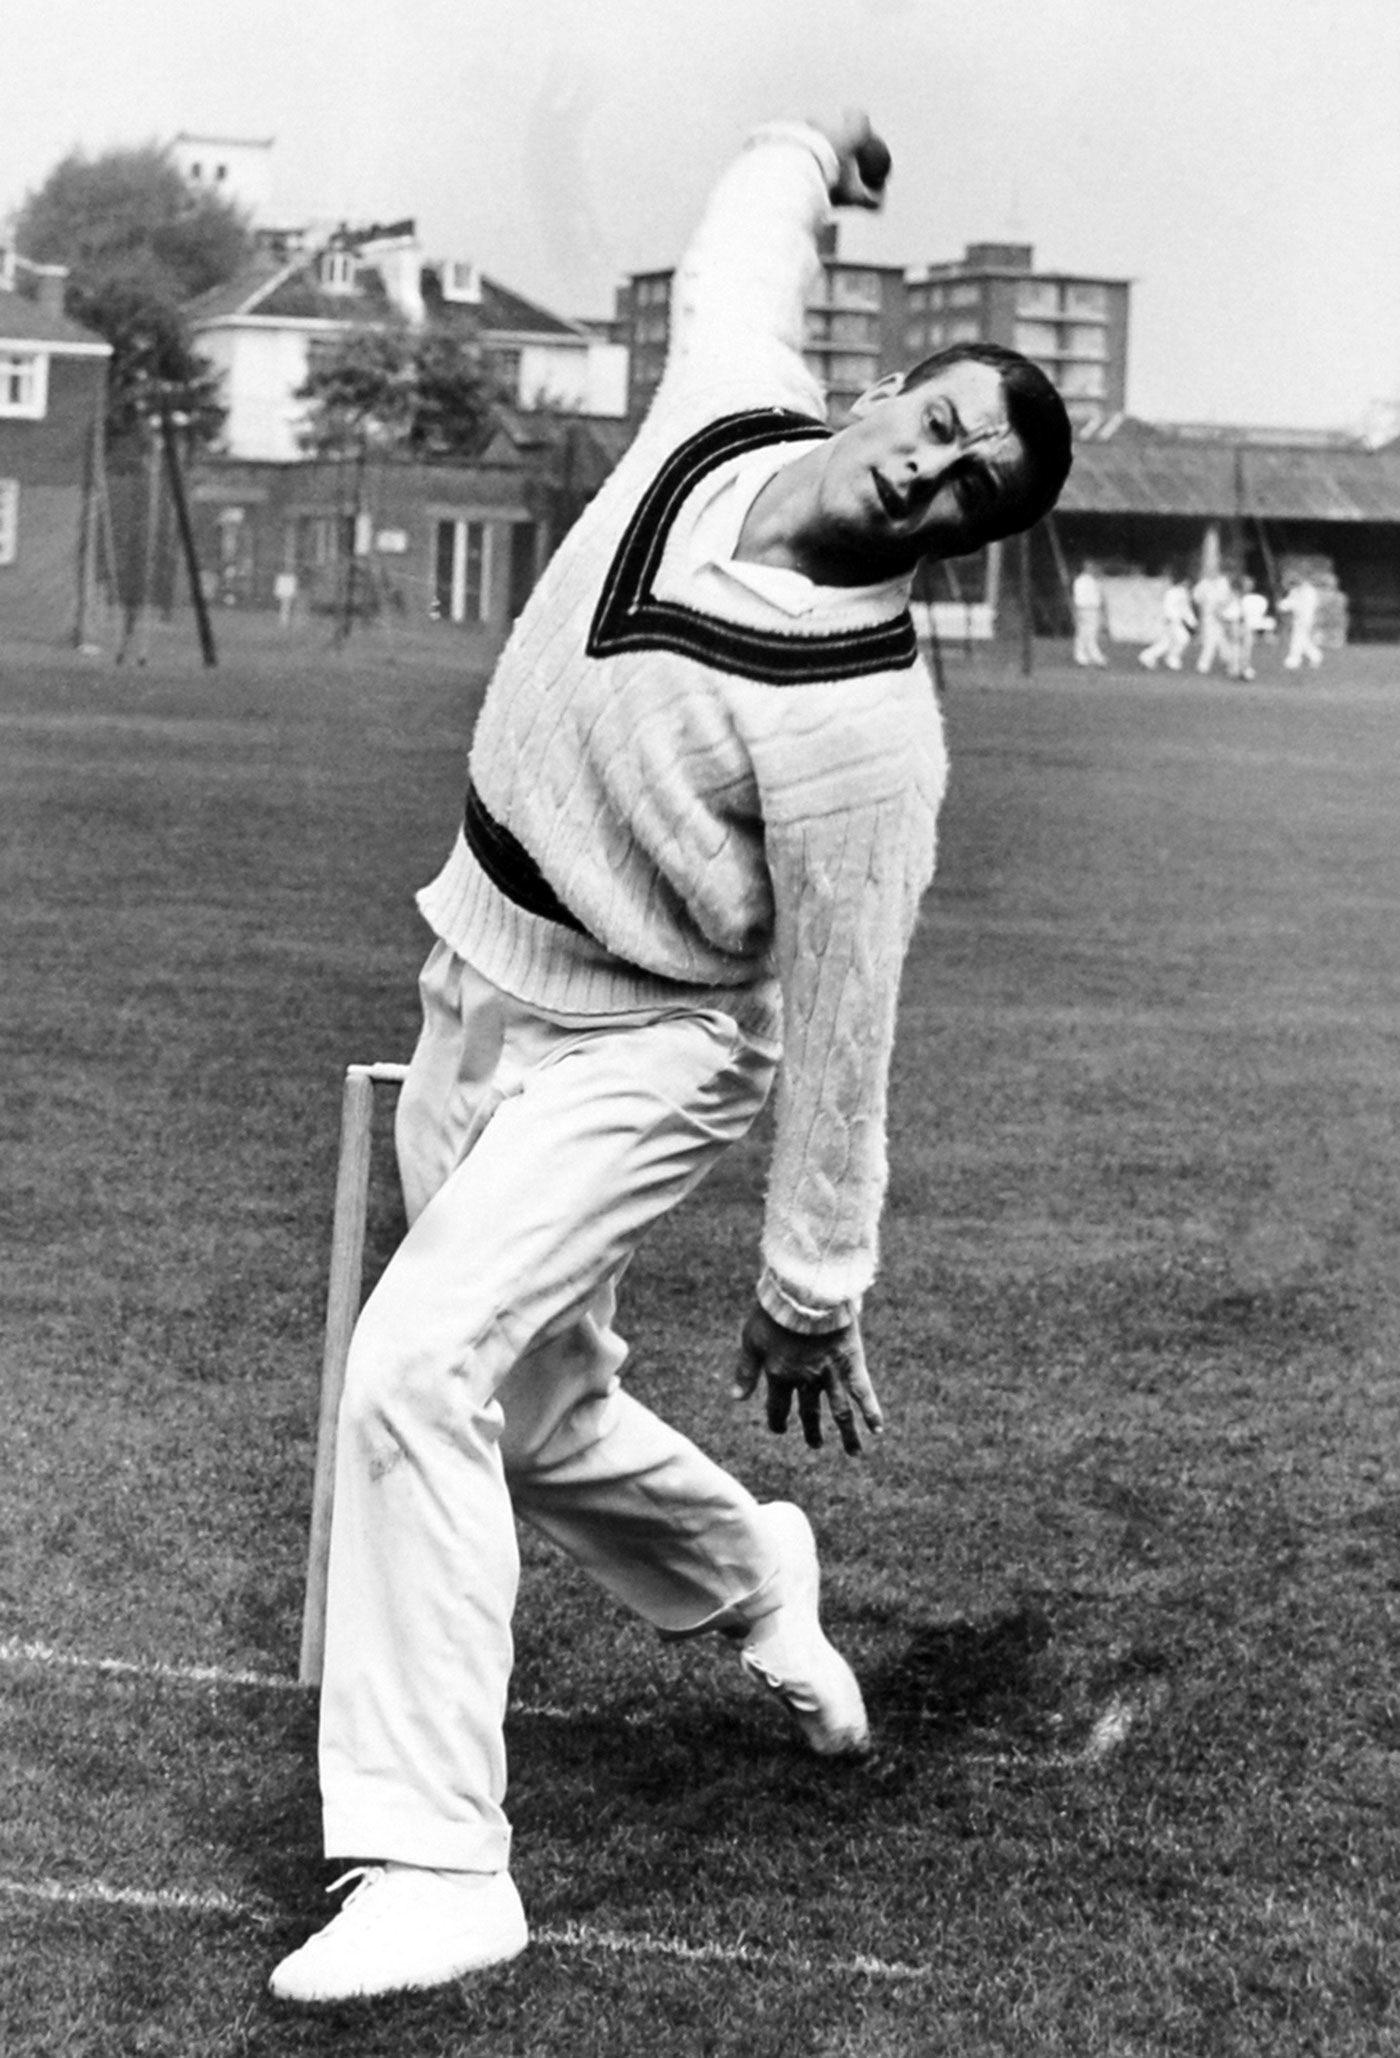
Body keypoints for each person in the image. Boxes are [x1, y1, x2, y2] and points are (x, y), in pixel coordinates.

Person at [269, 111, 1072, 2007]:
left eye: (967, 492)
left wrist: (814, 1278)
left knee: (414, 1367)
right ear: (884, 392)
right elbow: (744, 245)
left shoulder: (872, 734)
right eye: (938, 425)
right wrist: (809, 147)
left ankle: (436, 1863)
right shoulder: (724, 405)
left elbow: (851, 1011)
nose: (929, 471)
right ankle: (754, 1572)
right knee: (531, 1416)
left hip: (656, 1042)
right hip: (479, 968)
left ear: (960, 548)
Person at [1138, 572, 1196, 671]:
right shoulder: (1171, 592)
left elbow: (1185, 609)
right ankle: (1172, 658)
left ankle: (1146, 657)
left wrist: (1192, 621)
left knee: (1165, 643)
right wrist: (1170, 618)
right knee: (1183, 639)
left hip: (1177, 621)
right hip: (1171, 621)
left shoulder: (1184, 593)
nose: (1188, 584)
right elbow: (1167, 606)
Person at [1192, 565, 1233, 675]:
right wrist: (1205, 604)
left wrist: (1223, 609)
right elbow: (1196, 597)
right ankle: (1203, 665)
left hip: (1222, 615)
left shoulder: (1223, 582)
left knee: (1222, 639)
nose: (1212, 573)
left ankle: (1229, 660)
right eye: (1209, 571)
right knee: (1210, 640)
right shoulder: (1203, 584)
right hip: (1209, 616)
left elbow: (1228, 598)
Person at [1279, 574, 1323, 671]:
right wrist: (1282, 605)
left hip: (1306, 618)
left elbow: (1295, 604)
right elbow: (1290, 602)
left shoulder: (1308, 592)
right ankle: (1315, 656)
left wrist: (1283, 605)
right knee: (1302, 639)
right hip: (1299, 618)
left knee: (1297, 638)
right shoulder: (1296, 591)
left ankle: (1294, 660)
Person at [1071, 560, 1107, 665]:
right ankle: (1092, 656)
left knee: (1085, 633)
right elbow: (1080, 597)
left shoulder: (1091, 580)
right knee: (1088, 633)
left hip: (1090, 609)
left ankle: (1083, 655)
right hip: (1087, 608)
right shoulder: (1083, 581)